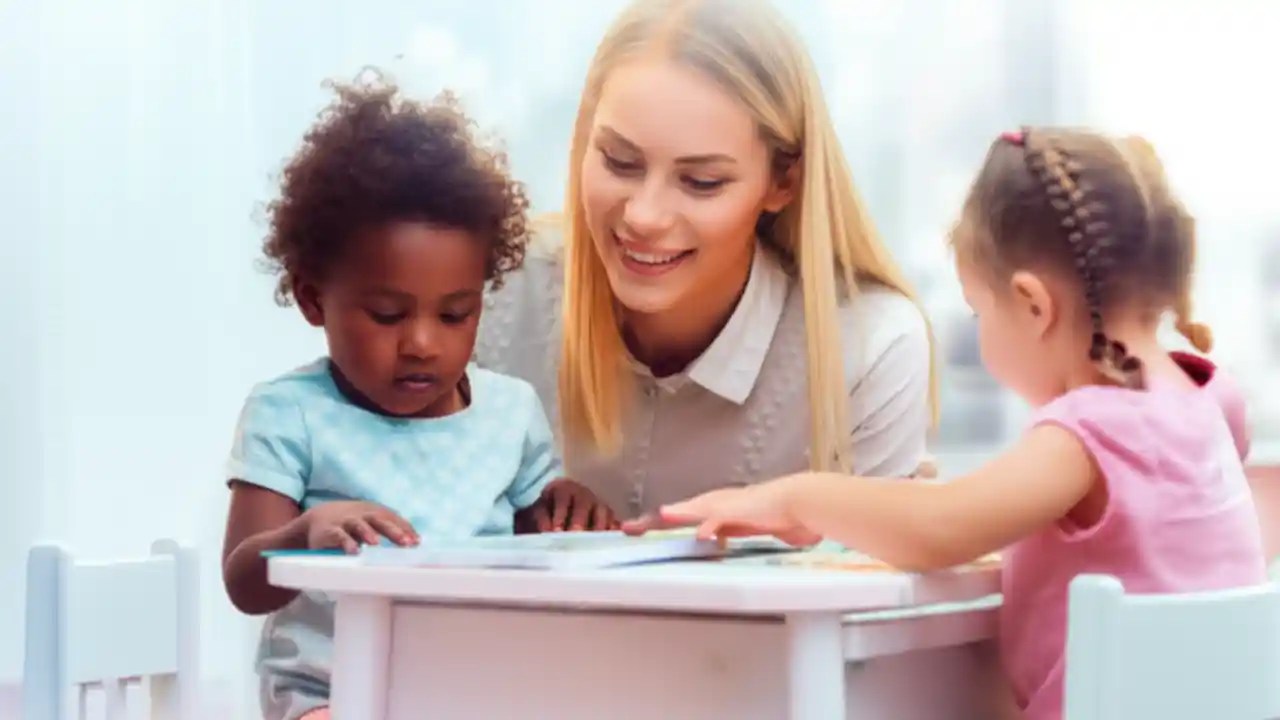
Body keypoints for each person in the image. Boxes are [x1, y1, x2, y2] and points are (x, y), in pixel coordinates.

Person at [634, 128, 1269, 719]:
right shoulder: (1212, 399)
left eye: (977, 312)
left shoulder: (1087, 433)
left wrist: (793, 495)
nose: (979, 332)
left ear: (1033, 305)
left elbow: (940, 531)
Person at [219, 74, 610, 720]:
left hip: (472, 691)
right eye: (387, 315)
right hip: (330, 692)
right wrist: (304, 534)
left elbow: (534, 555)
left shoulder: (510, 413)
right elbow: (242, 582)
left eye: (455, 314)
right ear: (315, 298)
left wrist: (563, 508)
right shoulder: (290, 415)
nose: (423, 343)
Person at [479, 0, 936, 534]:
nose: (644, 216)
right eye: (619, 162)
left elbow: (868, 602)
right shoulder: (489, 291)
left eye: (702, 183)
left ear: (783, 182)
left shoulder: (869, 347)